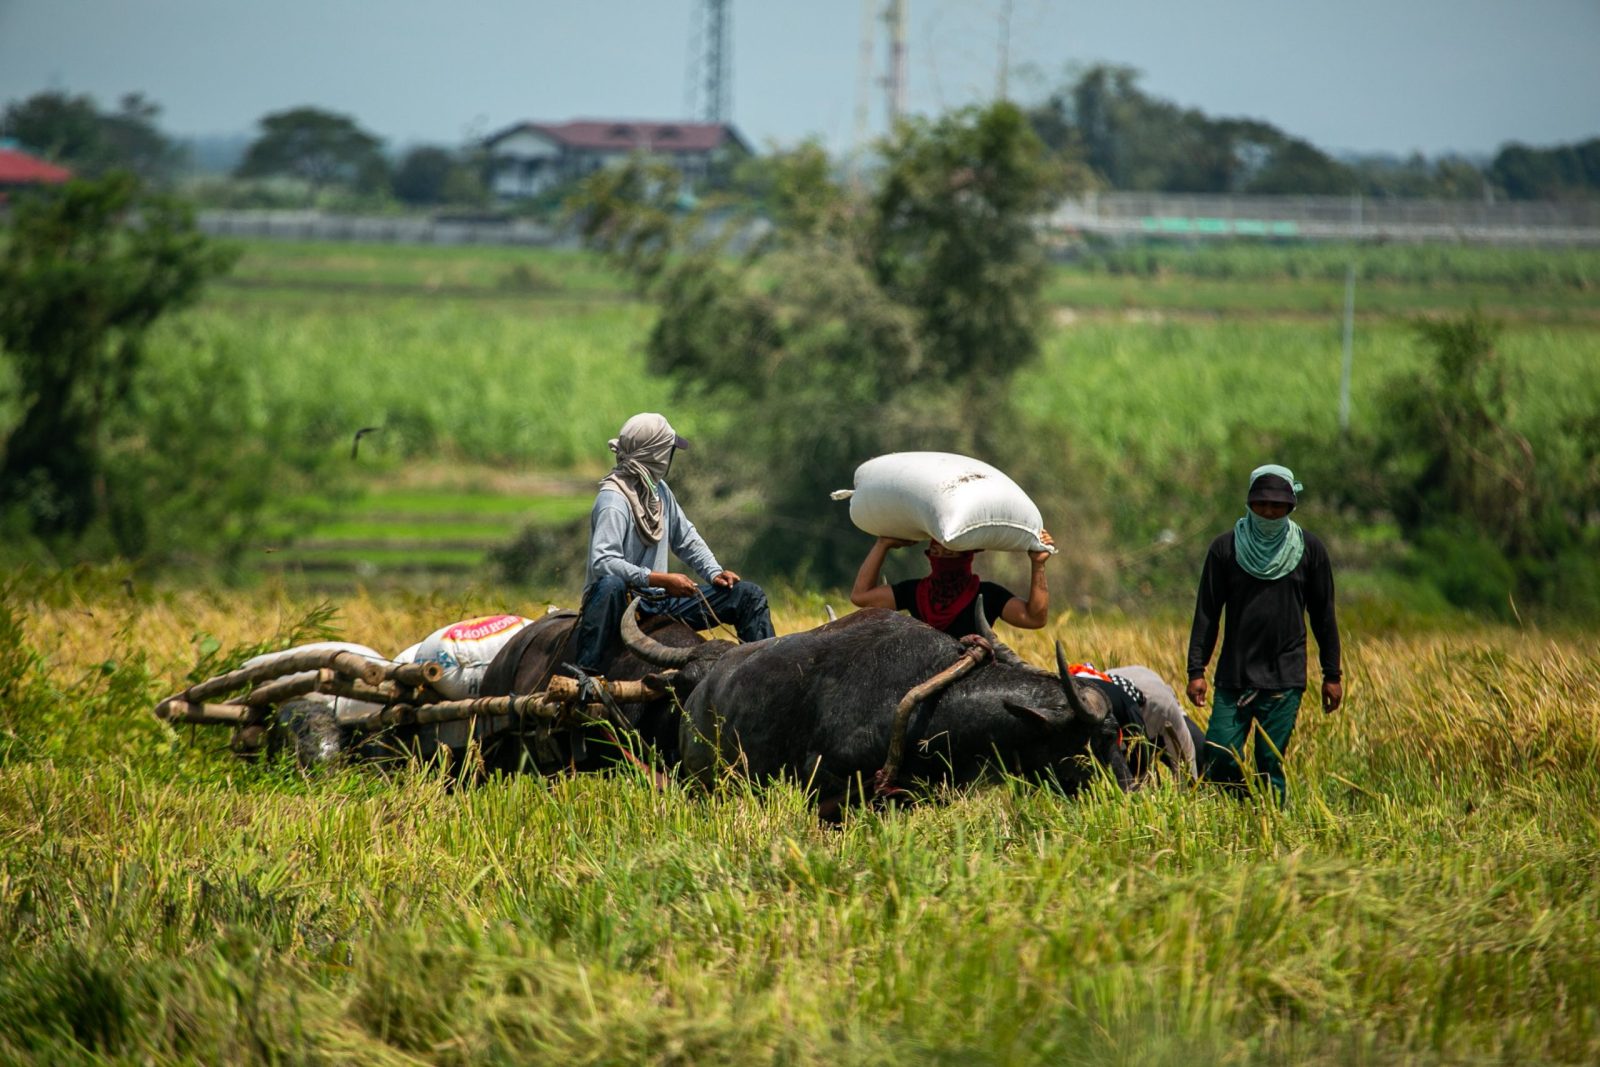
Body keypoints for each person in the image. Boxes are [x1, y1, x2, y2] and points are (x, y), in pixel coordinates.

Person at [1186, 463, 1343, 802]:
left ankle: (1273, 828)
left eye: (1277, 506)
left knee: (1269, 761)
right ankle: (1242, 806)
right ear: (1249, 503)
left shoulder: (1309, 551)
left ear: (1290, 507)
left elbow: (1323, 617)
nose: (1269, 512)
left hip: (1285, 677)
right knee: (1219, 752)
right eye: (1261, 504)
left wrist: (1332, 674)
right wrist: (1196, 670)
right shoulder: (1225, 549)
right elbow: (1207, 614)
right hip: (1234, 676)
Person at [571, 413, 774, 674]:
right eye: (669, 450)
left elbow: (686, 538)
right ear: (658, 456)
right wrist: (661, 580)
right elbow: (604, 563)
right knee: (612, 584)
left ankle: (762, 671)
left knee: (748, 596)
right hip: (618, 603)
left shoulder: (660, 491)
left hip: (658, 601)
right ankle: (586, 674)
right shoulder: (613, 501)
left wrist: (714, 572)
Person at [848, 530, 1054, 639]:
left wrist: (1038, 565)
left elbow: (1034, 618)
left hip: (974, 682)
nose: (941, 560)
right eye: (936, 553)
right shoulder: (914, 591)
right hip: (922, 674)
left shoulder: (987, 595)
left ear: (966, 557)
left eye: (949, 554)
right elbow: (861, 596)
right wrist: (882, 545)